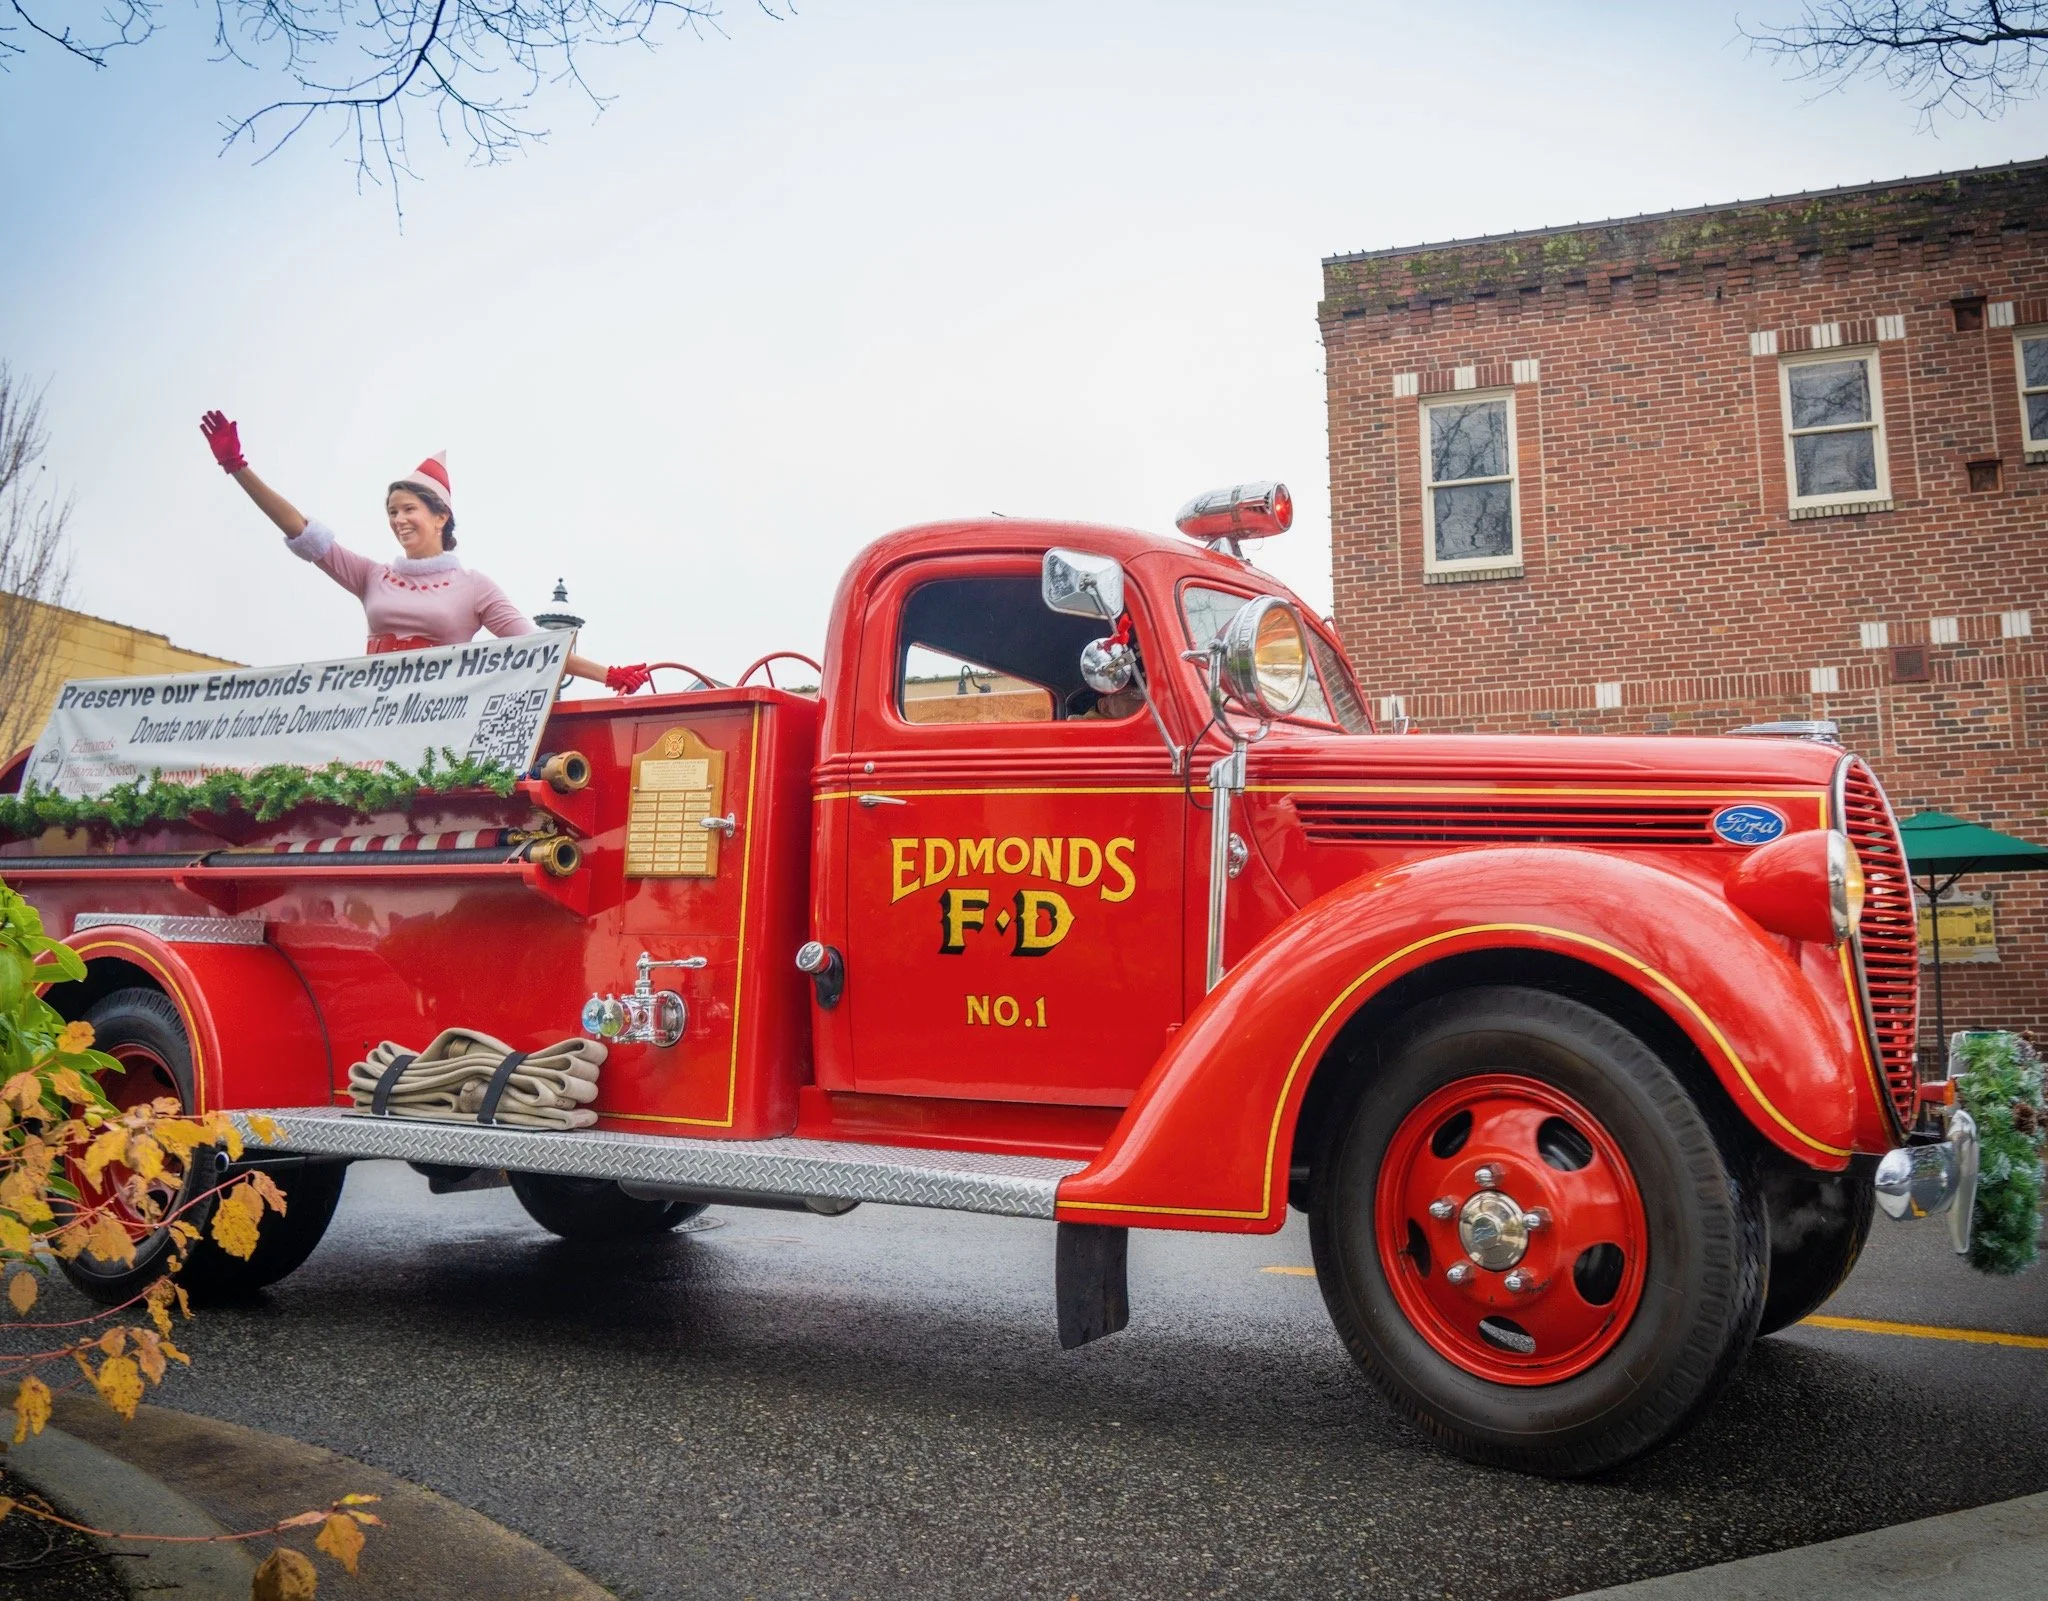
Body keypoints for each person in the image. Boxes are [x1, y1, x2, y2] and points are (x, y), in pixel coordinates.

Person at [199, 410, 650, 693]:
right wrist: (238, 469)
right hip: (368, 711)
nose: (398, 520)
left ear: (440, 517)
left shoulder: (473, 586)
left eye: (408, 508)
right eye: (391, 511)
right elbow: (301, 530)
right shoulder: (369, 575)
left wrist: (608, 674)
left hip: (439, 720)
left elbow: (538, 647)